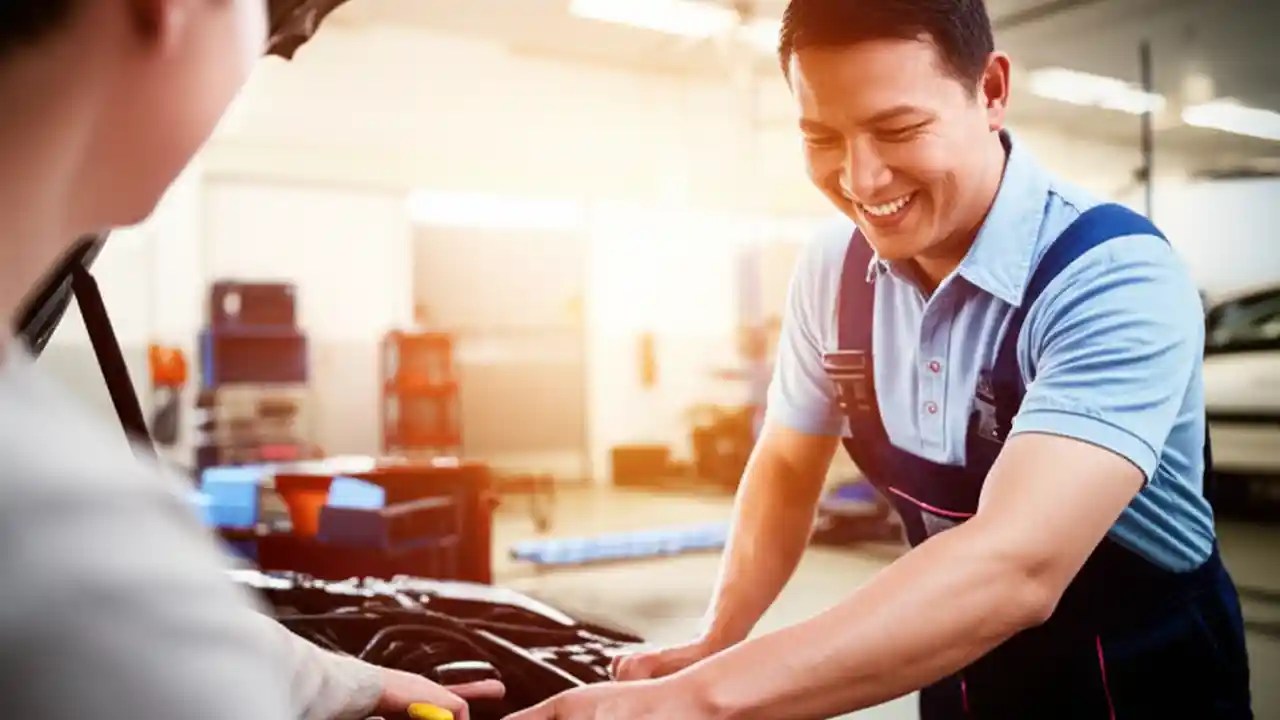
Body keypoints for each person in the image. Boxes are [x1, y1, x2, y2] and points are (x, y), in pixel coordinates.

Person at [505, 0, 1253, 718]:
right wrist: (718, 635)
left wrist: (699, 701)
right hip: (952, 668)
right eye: (822, 138)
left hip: (1142, 680)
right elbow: (787, 467)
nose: (860, 182)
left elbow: (1015, 566)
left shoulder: (1111, 274)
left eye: (897, 129)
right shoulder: (832, 271)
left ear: (990, 91)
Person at [0, 2, 503, 719]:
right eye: (260, 22)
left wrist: (352, 681)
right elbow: (121, 623)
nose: (275, 48)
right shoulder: (76, 560)